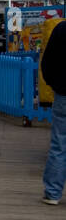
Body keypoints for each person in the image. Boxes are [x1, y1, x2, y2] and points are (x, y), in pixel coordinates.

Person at [40, 19, 66, 203]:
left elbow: (47, 62)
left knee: (59, 145)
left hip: (64, 93)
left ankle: (53, 192)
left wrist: (53, 83)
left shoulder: (61, 29)